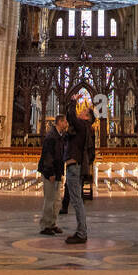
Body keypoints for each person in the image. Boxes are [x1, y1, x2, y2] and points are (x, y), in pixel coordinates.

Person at [61, 102, 95, 244]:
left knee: (77, 201)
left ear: (87, 117)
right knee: (77, 200)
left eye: (83, 111)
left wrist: (73, 102)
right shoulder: (84, 128)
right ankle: (82, 231)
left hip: (74, 166)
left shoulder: (83, 126)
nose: (80, 112)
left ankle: (81, 233)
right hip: (75, 165)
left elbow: (71, 117)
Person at [38, 114, 67, 235]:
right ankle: (45, 225)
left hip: (57, 172)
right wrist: (50, 172)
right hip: (50, 173)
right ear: (60, 122)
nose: (66, 124)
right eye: (65, 122)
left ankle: (52, 223)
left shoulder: (59, 136)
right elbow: (48, 156)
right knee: (49, 200)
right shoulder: (51, 136)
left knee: (56, 200)